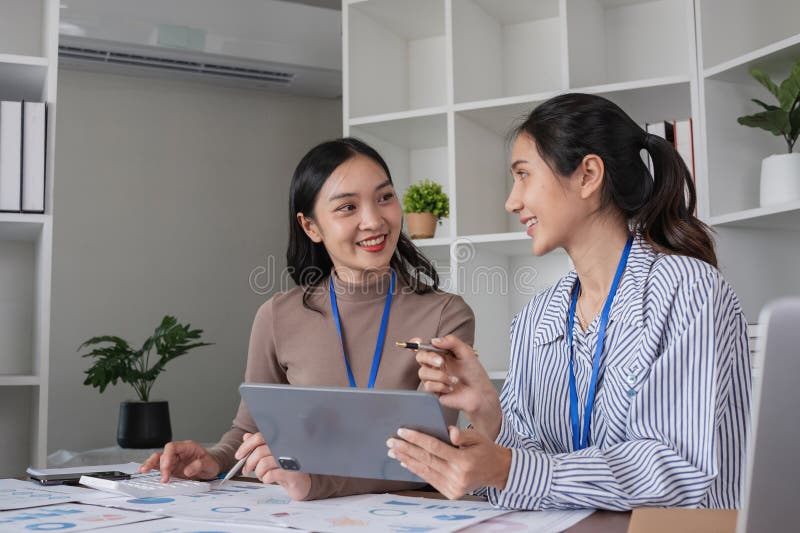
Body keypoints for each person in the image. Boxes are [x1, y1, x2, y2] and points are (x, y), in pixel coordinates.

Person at [386, 93, 751, 510]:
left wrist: (506, 468)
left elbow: (674, 470)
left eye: (524, 175)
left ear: (588, 175)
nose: (512, 201)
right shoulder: (537, 317)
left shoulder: (689, 292)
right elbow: (525, 472)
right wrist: (487, 412)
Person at [139, 137, 474, 500]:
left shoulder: (446, 315)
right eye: (347, 207)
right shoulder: (277, 316)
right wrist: (214, 460)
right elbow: (250, 429)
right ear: (311, 227)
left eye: (384, 197)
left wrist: (317, 483)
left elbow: (428, 457)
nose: (374, 220)